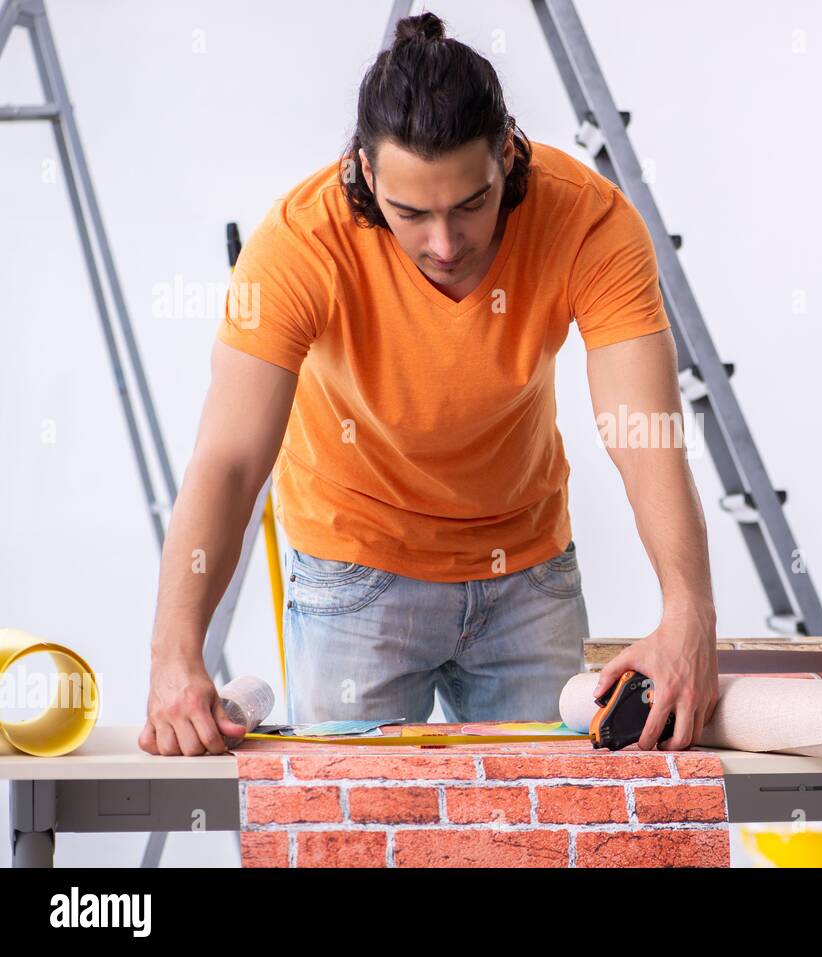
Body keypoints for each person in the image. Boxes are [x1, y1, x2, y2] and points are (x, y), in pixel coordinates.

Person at [139, 12, 719, 757]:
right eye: (411, 213)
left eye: (471, 204)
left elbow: (645, 437)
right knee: (352, 835)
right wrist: (171, 655)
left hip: (526, 572)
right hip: (355, 574)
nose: (444, 244)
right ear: (363, 173)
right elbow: (228, 462)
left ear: (508, 155)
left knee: (556, 831)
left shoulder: (589, 220)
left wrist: (689, 613)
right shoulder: (297, 245)